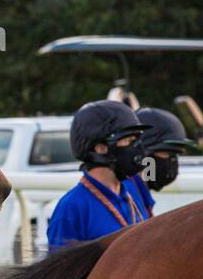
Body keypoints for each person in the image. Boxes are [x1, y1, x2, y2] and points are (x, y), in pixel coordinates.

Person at [47, 100, 149, 250]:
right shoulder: (71, 208)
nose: (137, 149)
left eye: (136, 140)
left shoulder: (132, 191)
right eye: (127, 140)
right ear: (100, 148)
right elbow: (59, 272)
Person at [129, 107, 192, 217]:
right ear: (142, 154)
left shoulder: (140, 195)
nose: (172, 160)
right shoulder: (127, 197)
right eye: (166, 153)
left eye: (175, 154)